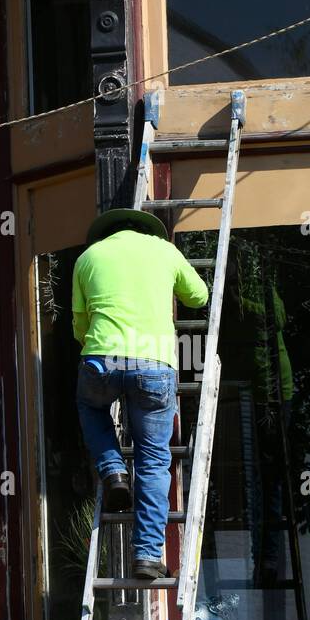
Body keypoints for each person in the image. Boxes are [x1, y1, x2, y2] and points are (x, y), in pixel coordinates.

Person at [72, 208, 209, 582]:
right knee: (152, 460)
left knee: (90, 405)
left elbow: (79, 327)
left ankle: (113, 470)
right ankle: (147, 556)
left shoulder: (87, 258)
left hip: (102, 358)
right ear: (147, 230)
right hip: (154, 364)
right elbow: (198, 297)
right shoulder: (164, 251)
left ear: (106, 232)